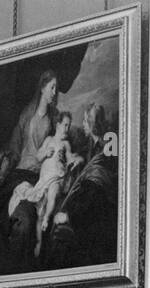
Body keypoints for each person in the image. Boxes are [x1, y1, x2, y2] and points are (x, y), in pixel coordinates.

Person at [0, 69, 61, 273]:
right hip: (19, 172)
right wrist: (5, 168)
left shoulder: (54, 118)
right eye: (52, 87)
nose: (55, 92)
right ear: (42, 87)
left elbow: (59, 145)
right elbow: (15, 146)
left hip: (37, 175)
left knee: (25, 219)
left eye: (56, 88)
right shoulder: (27, 113)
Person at [43, 102, 119, 271]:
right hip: (86, 204)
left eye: (86, 121)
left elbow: (95, 188)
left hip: (96, 213)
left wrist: (69, 215)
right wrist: (80, 160)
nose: (83, 124)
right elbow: (86, 163)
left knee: (61, 233)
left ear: (92, 123)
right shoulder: (91, 146)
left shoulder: (108, 146)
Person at [6, 110, 82, 257]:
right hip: (43, 181)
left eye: (69, 126)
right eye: (65, 125)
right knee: (37, 218)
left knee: (53, 194)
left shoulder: (65, 144)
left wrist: (76, 160)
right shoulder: (48, 140)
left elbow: (71, 157)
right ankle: (38, 248)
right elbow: (38, 156)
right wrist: (46, 152)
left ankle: (47, 217)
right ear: (58, 124)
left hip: (56, 178)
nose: (67, 129)